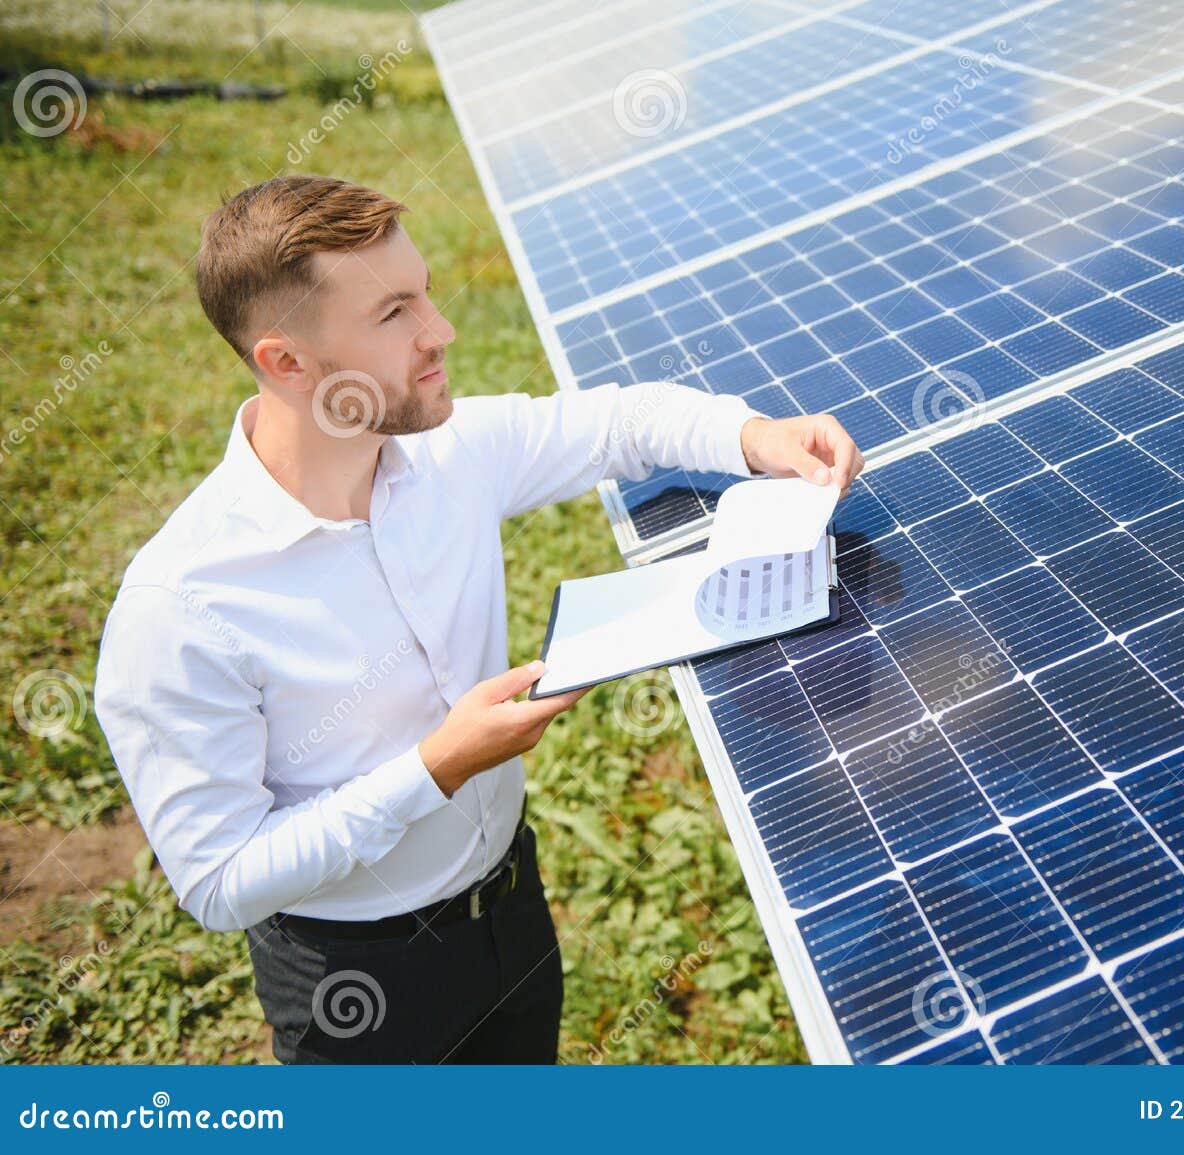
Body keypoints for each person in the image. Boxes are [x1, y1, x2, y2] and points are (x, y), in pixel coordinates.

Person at [93, 174, 864, 1064]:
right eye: (394, 314)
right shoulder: (181, 608)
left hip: (512, 911)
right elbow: (221, 880)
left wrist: (754, 437)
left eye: (425, 293)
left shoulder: (446, 455)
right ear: (287, 363)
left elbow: (620, 423)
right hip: (361, 994)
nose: (441, 331)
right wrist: (438, 764)